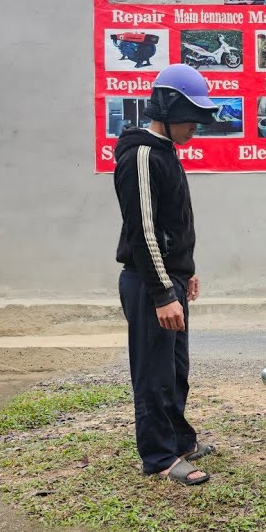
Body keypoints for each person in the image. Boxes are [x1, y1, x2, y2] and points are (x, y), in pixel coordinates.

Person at [112, 64, 220, 486]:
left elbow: (173, 224)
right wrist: (162, 293)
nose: (196, 127)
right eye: (191, 117)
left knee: (175, 369)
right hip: (148, 285)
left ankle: (180, 441)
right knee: (153, 374)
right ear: (168, 107)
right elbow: (142, 230)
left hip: (168, 280)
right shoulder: (140, 155)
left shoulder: (164, 152)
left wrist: (184, 272)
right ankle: (159, 457)